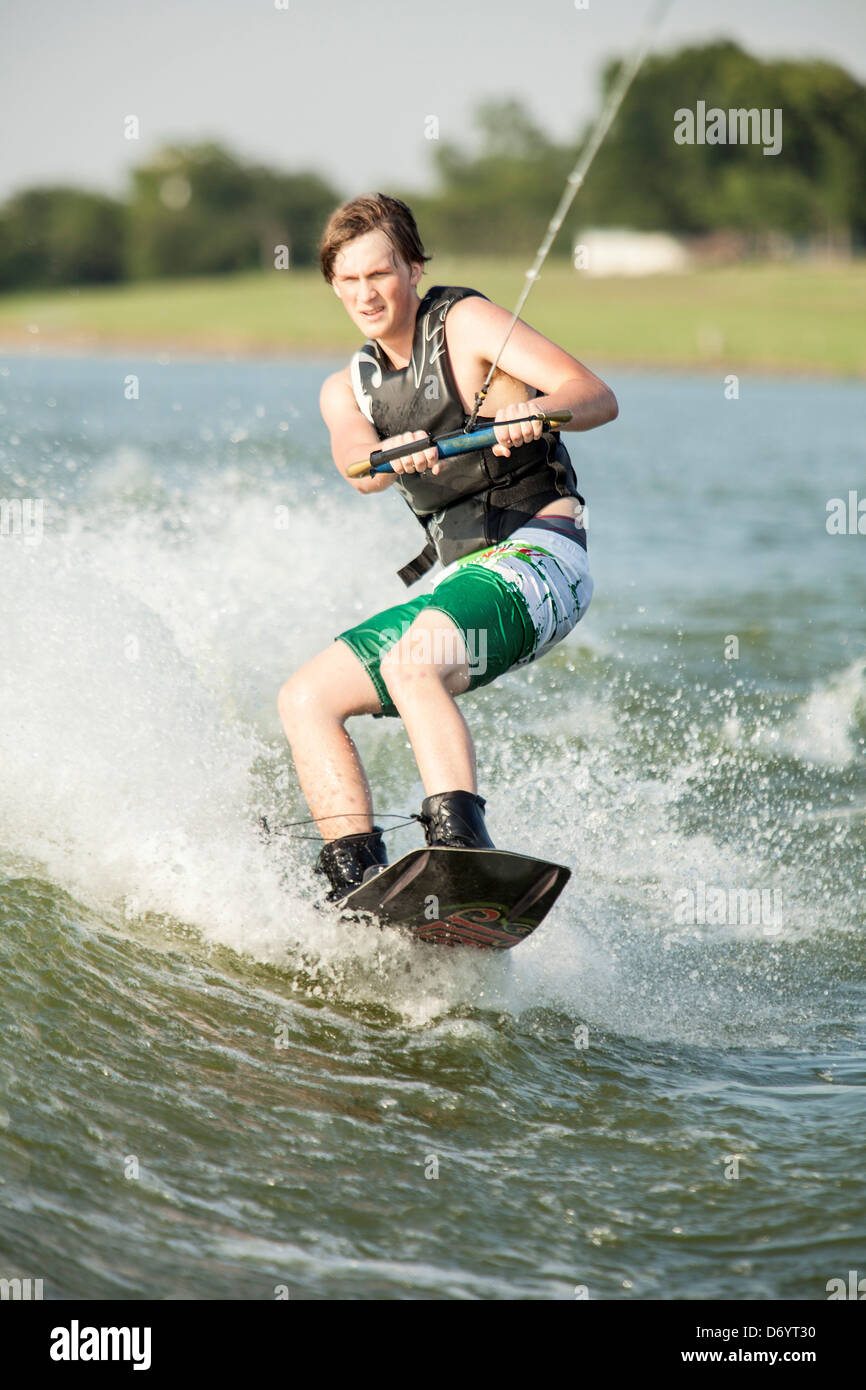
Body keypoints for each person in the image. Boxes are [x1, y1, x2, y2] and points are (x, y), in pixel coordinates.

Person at [278, 193, 618, 900]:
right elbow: (354, 463)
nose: (366, 294)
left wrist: (537, 408)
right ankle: (352, 875)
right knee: (305, 697)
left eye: (381, 273)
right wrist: (384, 452)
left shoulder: (463, 324)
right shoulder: (345, 390)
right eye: (349, 281)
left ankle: (459, 847)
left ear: (413, 267)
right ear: (333, 287)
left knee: (412, 662)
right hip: (460, 582)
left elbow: (594, 394)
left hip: (542, 557)